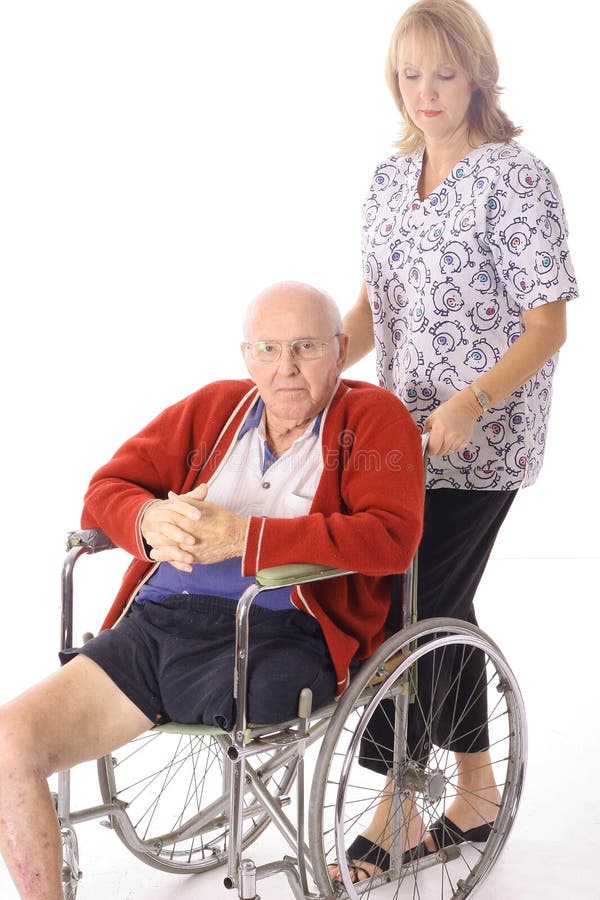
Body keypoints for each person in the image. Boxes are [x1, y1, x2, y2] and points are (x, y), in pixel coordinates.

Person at [0, 281, 424, 900]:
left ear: (339, 348)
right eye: (269, 350)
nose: (286, 369)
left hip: (280, 632)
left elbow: (389, 539)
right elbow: (108, 486)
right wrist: (146, 521)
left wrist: (248, 538)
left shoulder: (373, 418)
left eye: (305, 348)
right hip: (156, 626)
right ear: (247, 355)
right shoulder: (213, 409)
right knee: (11, 743)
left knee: (244, 686)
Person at [333, 0, 579, 883]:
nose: (426, 93)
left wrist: (473, 400)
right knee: (443, 605)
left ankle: (398, 799)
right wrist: (309, 361)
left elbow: (546, 327)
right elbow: (372, 313)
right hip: (402, 437)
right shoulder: (388, 180)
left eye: (444, 73)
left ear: (478, 73)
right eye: (409, 74)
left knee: (410, 604)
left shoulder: (514, 178)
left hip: (484, 438)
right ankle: (475, 790)